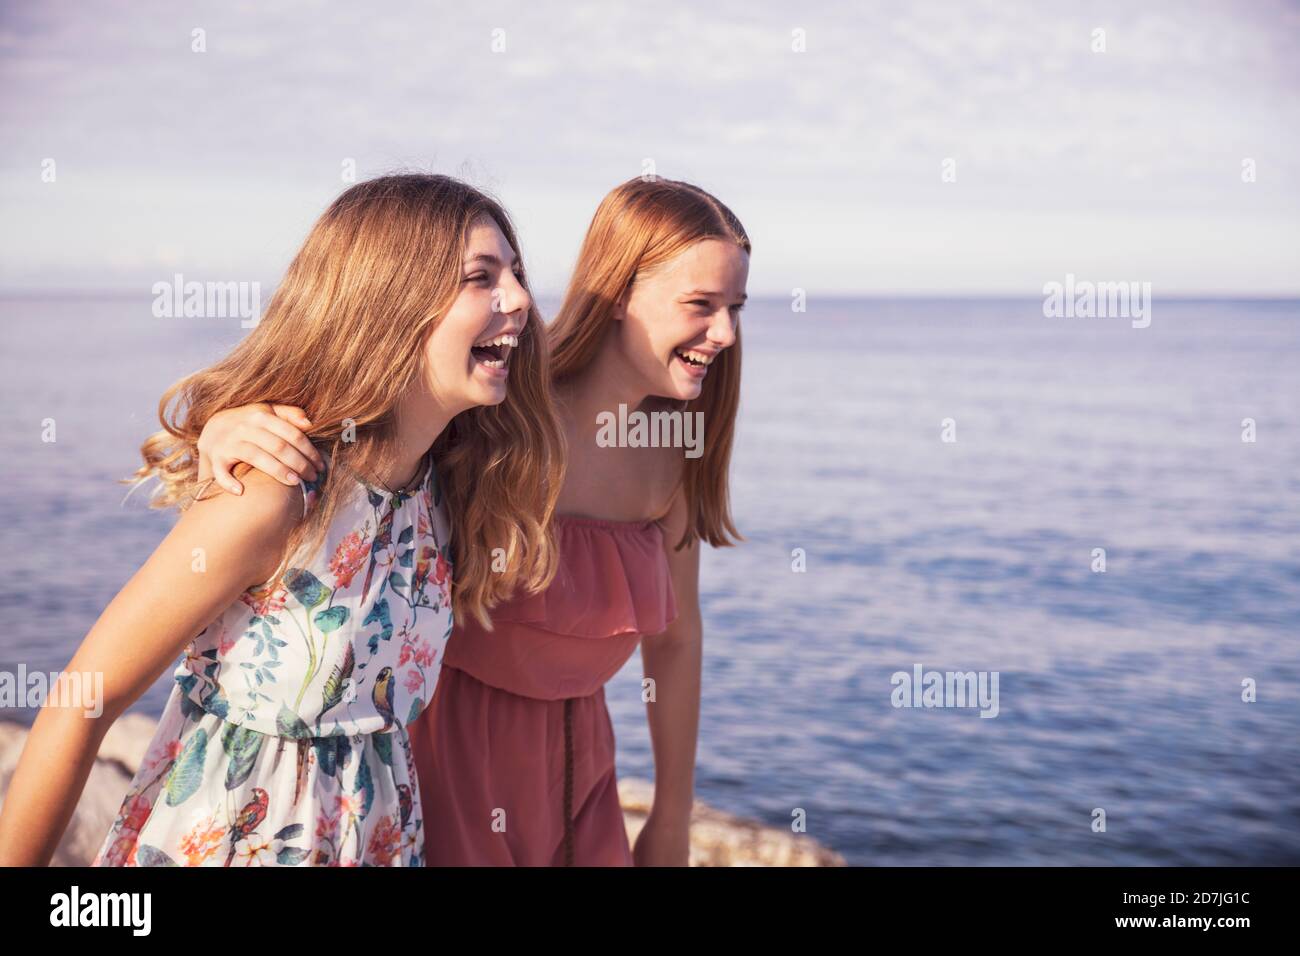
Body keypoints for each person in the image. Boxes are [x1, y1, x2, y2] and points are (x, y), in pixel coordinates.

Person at [0, 173, 563, 866]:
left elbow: (598, 372)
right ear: (389, 300)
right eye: (483, 277)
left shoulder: (440, 485)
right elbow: (80, 700)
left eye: (517, 272)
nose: (521, 299)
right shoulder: (276, 492)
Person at [192, 176, 750, 865]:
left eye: (735, 308)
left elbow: (677, 640)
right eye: (702, 304)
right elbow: (367, 421)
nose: (725, 332)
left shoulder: (673, 453)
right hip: (451, 753)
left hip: (585, 762)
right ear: (620, 290)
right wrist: (227, 425)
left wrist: (671, 814)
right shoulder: (499, 412)